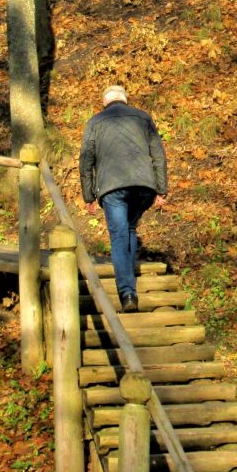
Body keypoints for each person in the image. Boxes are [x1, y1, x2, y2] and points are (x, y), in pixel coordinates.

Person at [79, 85, 168, 311]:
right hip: (143, 186)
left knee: (119, 235)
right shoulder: (143, 118)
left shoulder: (95, 122)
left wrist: (88, 195)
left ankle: (128, 293)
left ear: (104, 102)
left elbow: (86, 160)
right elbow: (158, 154)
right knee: (129, 229)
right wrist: (161, 189)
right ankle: (129, 280)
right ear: (125, 100)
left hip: (113, 188)